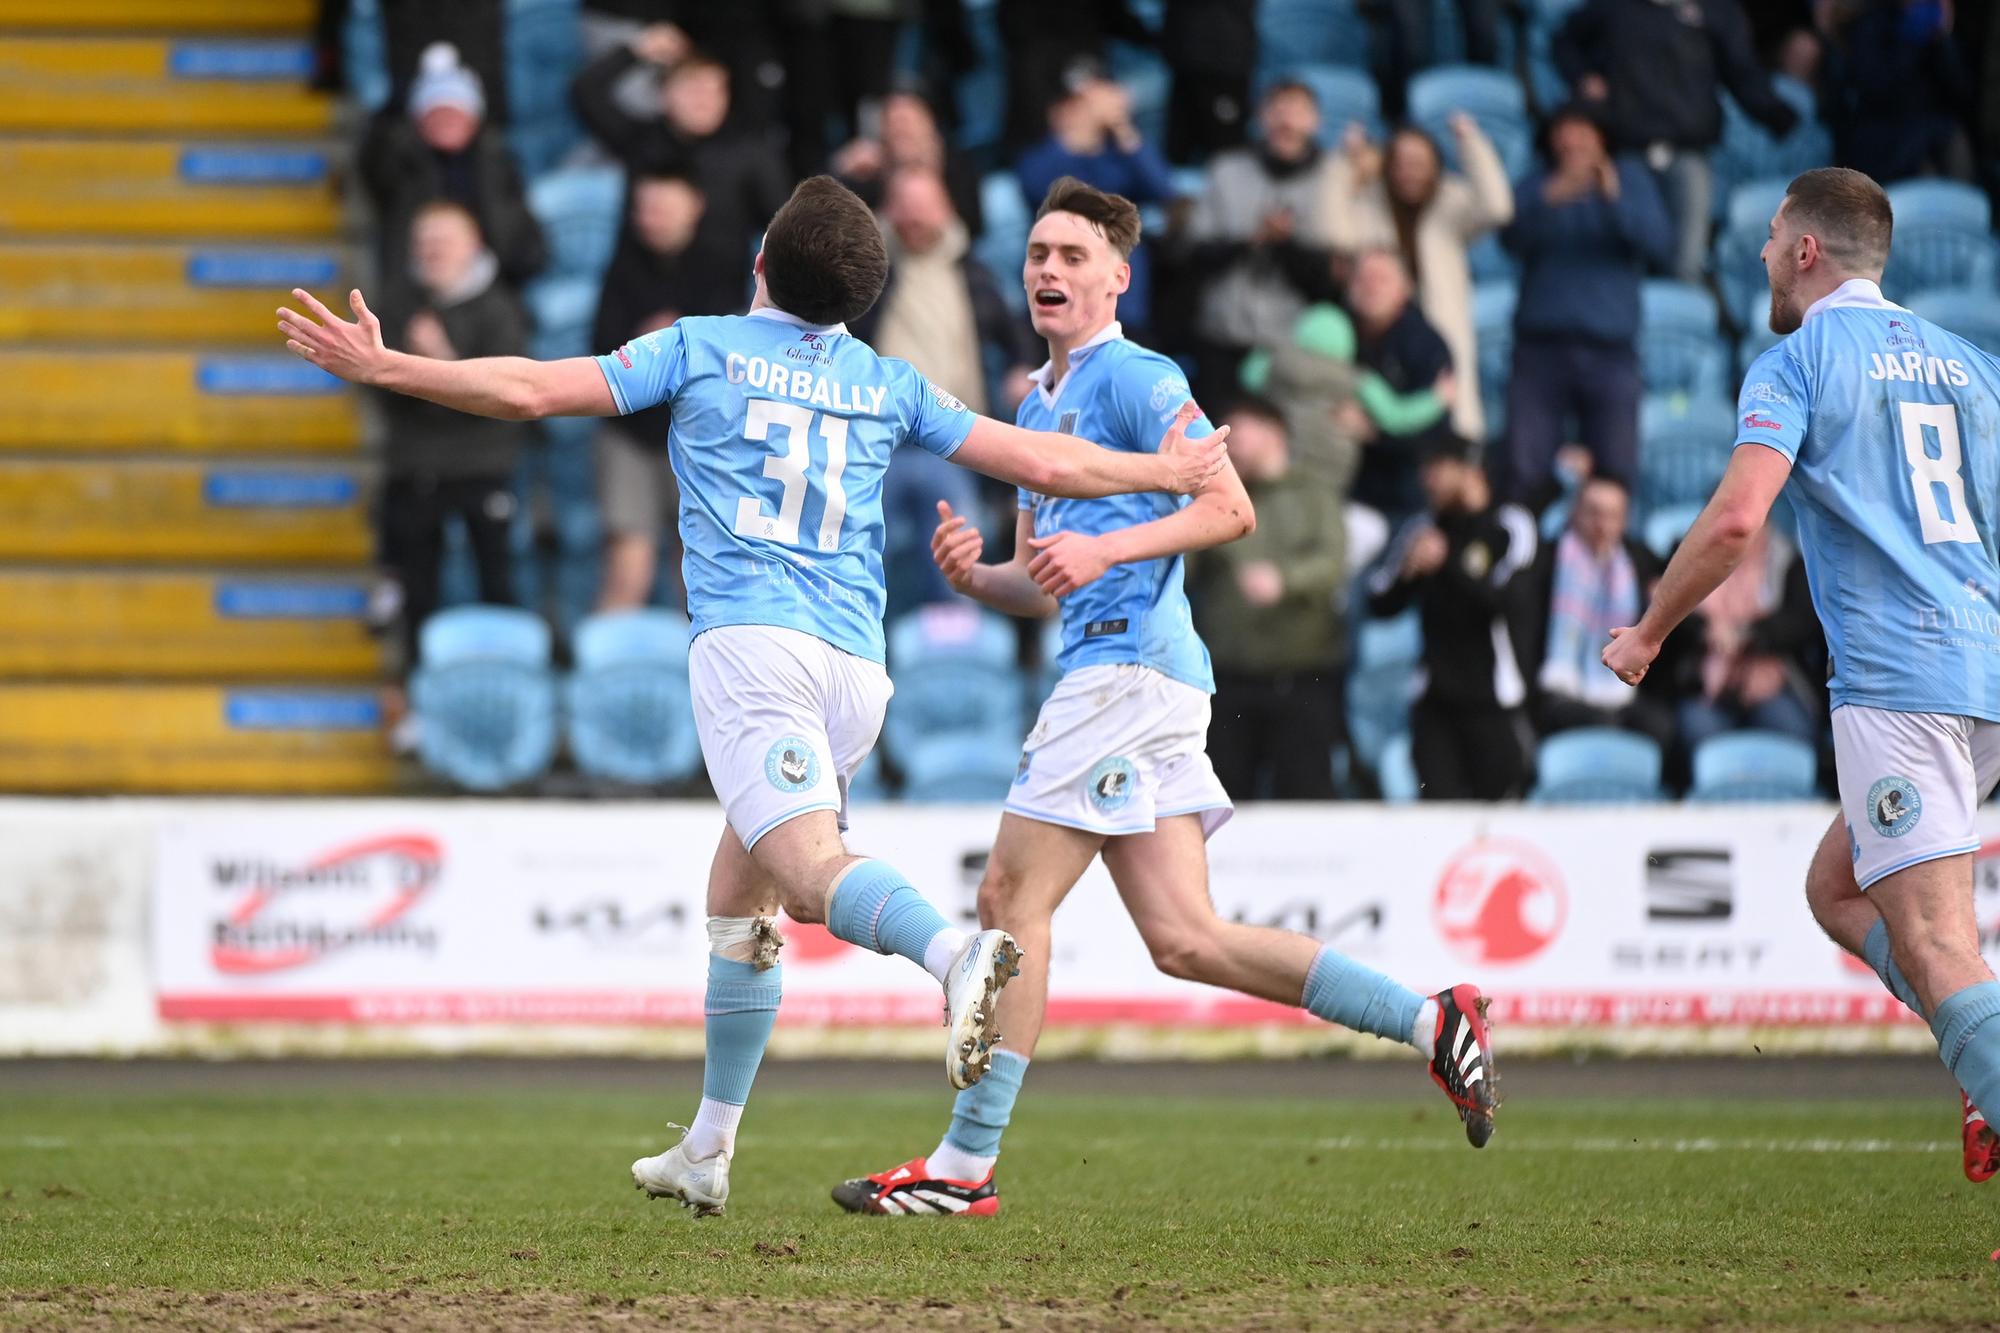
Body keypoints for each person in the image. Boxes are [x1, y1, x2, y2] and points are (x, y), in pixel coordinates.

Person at [276, 174, 1231, 1217]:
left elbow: (531, 392)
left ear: (760, 265)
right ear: (856, 300)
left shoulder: (697, 345)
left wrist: (384, 364)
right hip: (855, 670)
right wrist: (1165, 468)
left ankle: (955, 955)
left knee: (809, 872)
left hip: (752, 649)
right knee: (740, 899)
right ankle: (707, 1145)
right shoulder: (890, 380)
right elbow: (1041, 457)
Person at [829, 179, 1498, 1219]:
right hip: (1125, 673)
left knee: (1012, 904)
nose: (1047, 270)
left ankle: (964, 1166)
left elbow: (1226, 507)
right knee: (1186, 937)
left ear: (1115, 278)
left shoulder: (1140, 376)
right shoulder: (1035, 403)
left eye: (1070, 256)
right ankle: (1430, 1019)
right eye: (1037, 253)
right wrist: (979, 580)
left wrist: (1107, 542)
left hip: (1130, 673)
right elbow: (1040, 575)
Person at [1600, 167, 2000, 1186]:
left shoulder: (1797, 358)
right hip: (1984, 671)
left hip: (1899, 676)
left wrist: (1647, 628)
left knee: (1936, 940)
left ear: (1806, 250)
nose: (1763, 250)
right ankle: (1976, 1049)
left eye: (1773, 233)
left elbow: (1737, 519)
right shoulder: (1970, 365)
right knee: (1835, 887)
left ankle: (1984, 1054)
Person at [371, 202, 530, 668]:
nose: (433, 250)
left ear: (474, 246)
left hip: (484, 468)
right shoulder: (396, 306)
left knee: (496, 585)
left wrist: (439, 363)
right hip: (416, 468)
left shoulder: (501, 308)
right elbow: (383, 395)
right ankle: (416, 691)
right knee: (415, 593)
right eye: (425, 241)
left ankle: (503, 680)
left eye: (445, 239)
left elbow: (507, 399)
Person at [1497, 102, 1674, 512]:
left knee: (1616, 468)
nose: (1571, 139)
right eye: (1564, 129)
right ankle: (1523, 563)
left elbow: (1661, 246)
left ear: (1602, 137)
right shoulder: (1537, 182)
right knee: (1524, 469)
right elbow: (1509, 239)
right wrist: (1550, 198)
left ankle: (1609, 568)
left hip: (1611, 351)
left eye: (1582, 129)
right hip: (1540, 349)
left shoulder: (1629, 180)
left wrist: (1615, 200)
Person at [1555, 0, 1801, 283]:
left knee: (1687, 262)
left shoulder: (1713, 10)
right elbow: (1565, 41)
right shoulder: (1615, 7)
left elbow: (1742, 73)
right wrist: (1583, 77)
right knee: (1626, 256)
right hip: (1628, 153)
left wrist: (1779, 116)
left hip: (1689, 153)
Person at [591, 167, 745, 611]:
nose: (650, 218)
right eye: (644, 208)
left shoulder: (724, 266)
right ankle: (608, 678)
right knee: (628, 571)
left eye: (662, 206)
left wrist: (663, 342)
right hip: (631, 436)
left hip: (702, 438)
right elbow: (600, 352)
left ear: (695, 205)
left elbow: (728, 360)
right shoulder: (621, 266)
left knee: (698, 576)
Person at [1188, 398, 1351, 800]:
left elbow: (1333, 563)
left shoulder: (1314, 494)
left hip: (1302, 678)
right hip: (1226, 680)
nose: (1232, 447)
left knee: (1306, 797)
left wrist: (1285, 580)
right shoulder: (1215, 498)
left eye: (1238, 434)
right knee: (1221, 798)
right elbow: (1183, 569)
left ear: (1274, 433)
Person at [1369, 434, 1538, 800]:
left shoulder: (1509, 526)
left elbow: (1507, 602)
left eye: (1438, 469)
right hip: (1435, 698)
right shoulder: (1424, 528)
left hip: (1493, 696)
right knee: (1437, 807)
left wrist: (1449, 564)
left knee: (1498, 806)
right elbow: (1380, 603)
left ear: (1468, 471)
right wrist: (1409, 571)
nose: (1428, 479)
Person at [1324, 118, 1513, 443]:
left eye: (1420, 163)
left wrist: (1470, 143)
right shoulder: (1369, 202)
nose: (1410, 171)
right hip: (1379, 339)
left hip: (1439, 334)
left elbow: (1498, 209)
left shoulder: (1451, 202)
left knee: (1446, 424)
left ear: (1436, 166)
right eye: (1400, 162)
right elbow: (1329, 232)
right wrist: (1345, 164)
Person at [1180, 80, 1338, 401]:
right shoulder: (1227, 170)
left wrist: (1283, 244)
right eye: (1278, 109)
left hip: (1291, 347)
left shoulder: (1333, 179)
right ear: (1261, 117)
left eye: (1298, 111)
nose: (1286, 120)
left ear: (1316, 122)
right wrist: (1251, 241)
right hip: (1222, 335)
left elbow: (1332, 282)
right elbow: (1193, 254)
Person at [571, 37, 790, 261]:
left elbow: (784, 230)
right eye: (694, 89)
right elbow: (585, 90)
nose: (706, 100)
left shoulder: (751, 153)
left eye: (716, 90)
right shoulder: (640, 139)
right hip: (635, 285)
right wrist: (636, 51)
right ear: (664, 94)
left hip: (715, 288)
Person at [1505, 476, 1676, 755]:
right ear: (1575, 513)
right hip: (1559, 688)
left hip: (1624, 691)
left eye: (1611, 515)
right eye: (1593, 513)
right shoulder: (1548, 558)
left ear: (1624, 520)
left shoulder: (1637, 560)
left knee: (1659, 725)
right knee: (1598, 723)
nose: (1602, 524)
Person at [358, 42, 546, 287]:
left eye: (455, 113)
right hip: (413, 289)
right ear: (420, 121)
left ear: (474, 119)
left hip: (489, 287)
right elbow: (373, 159)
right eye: (437, 114)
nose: (447, 122)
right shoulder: (401, 160)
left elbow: (521, 236)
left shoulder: (498, 162)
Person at [1016, 66, 1175, 337]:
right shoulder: (1042, 159)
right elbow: (1042, 189)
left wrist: (1124, 129)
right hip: (1063, 307)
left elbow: (1164, 190)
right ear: (1058, 112)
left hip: (1122, 306)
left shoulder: (1119, 158)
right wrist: (1078, 136)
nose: (1090, 111)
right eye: (1081, 105)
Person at [1673, 525, 1824, 755]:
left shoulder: (1785, 560)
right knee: (1699, 734)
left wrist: (1747, 634)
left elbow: (1800, 622)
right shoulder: (1688, 556)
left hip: (1773, 681)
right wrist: (1706, 629)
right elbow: (1670, 612)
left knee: (1795, 734)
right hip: (1703, 683)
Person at [831, 88, 985, 236]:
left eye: (908, 122)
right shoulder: (868, 172)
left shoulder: (954, 164)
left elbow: (974, 225)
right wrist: (839, 166)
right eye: (893, 123)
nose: (901, 130)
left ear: (929, 125)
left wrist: (933, 173)